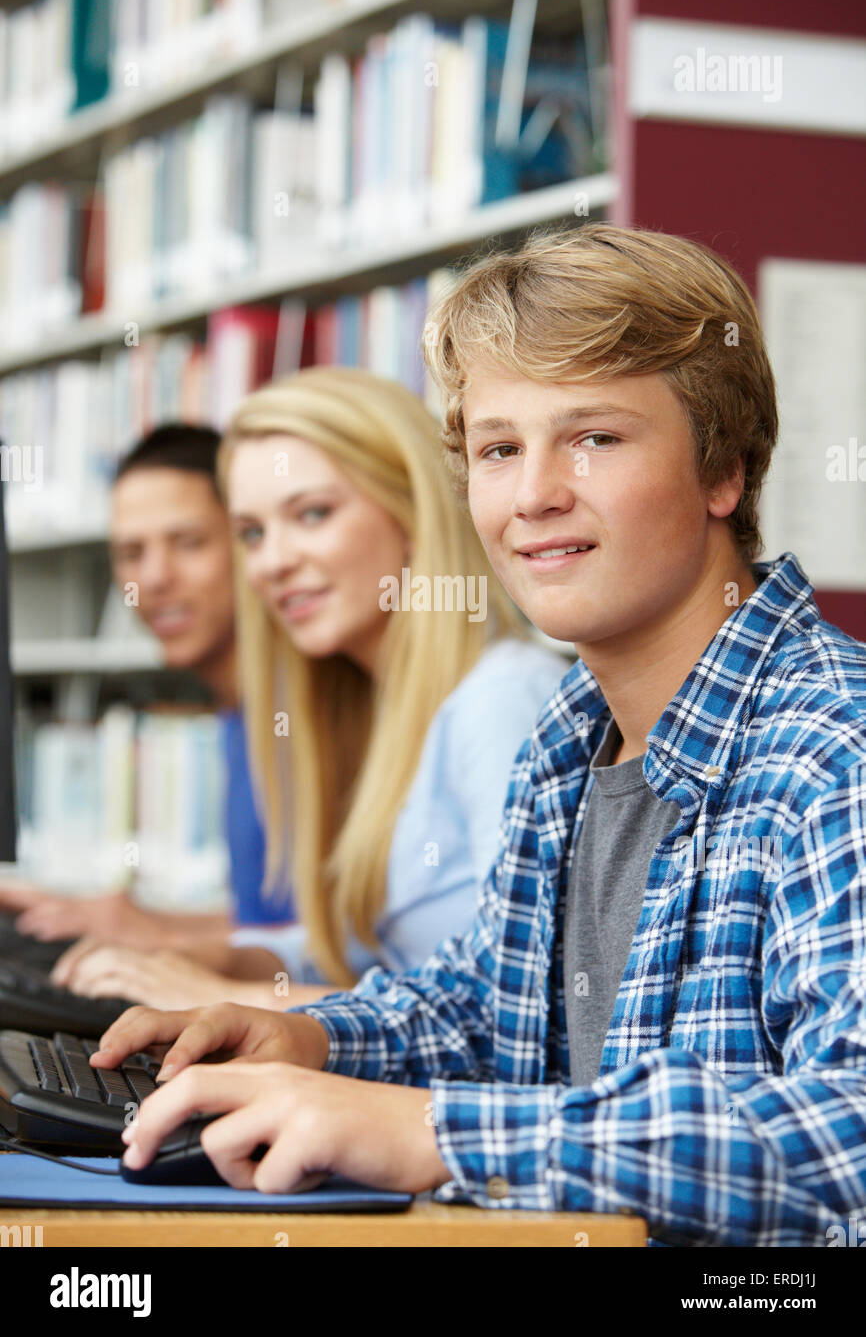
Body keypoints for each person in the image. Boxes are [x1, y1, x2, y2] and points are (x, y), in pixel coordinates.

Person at [94, 223, 866, 1247]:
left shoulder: (831, 746)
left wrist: (434, 1132)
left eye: (592, 437)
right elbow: (487, 1002)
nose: (534, 493)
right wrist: (311, 1033)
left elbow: (847, 1133)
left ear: (720, 470)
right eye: (499, 448)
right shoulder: (566, 737)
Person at [53, 367, 567, 1009]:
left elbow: (524, 1017)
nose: (272, 561)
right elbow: (375, 952)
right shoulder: (378, 707)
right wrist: (233, 958)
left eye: (313, 514)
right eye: (253, 533)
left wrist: (227, 997)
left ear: (413, 513)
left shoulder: (503, 701)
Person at [0, 424, 293, 946]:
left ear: (252, 540)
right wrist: (116, 920)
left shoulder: (305, 718)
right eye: (132, 553)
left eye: (188, 542)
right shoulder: (236, 719)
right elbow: (276, 933)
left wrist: (156, 933)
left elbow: (352, 957)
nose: (154, 579)